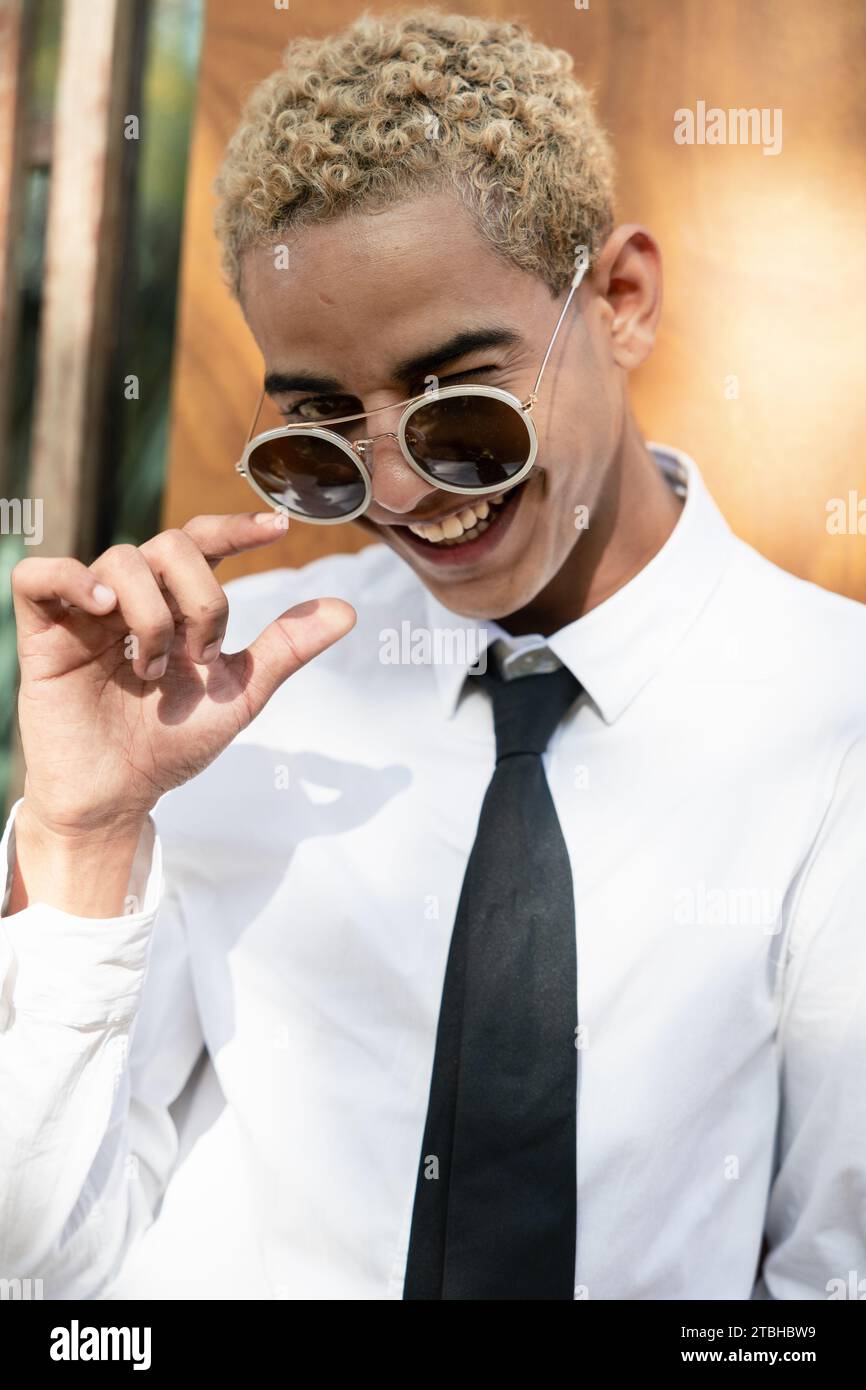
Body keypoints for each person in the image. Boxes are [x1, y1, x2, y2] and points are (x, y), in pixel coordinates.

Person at [1, 7, 864, 1301]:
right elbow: (45, 1274)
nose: (399, 485)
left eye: (460, 399)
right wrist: (80, 839)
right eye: (322, 435)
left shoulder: (829, 717)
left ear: (619, 301)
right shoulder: (234, 701)